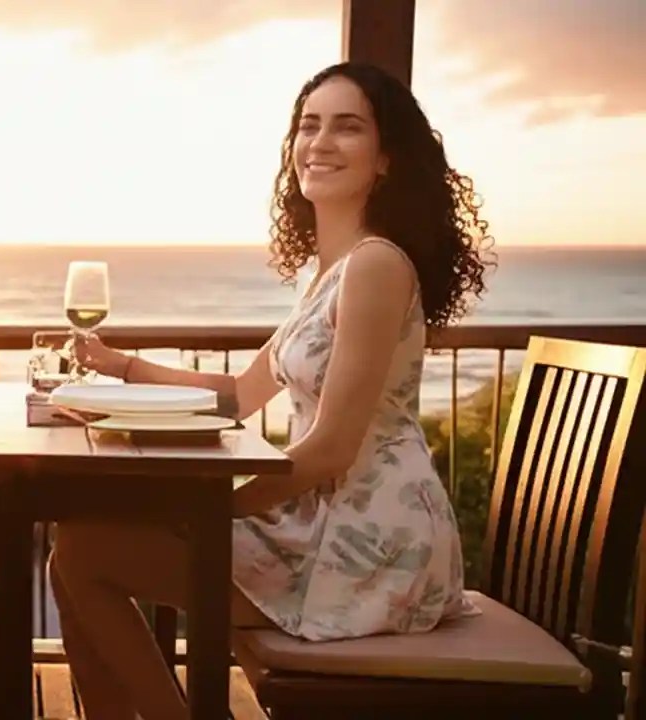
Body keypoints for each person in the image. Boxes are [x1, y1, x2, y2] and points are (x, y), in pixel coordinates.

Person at [53, 61, 494, 720]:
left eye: (347, 128)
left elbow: (330, 451)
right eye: (308, 126)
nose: (319, 142)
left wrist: (211, 510)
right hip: (321, 526)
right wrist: (118, 365)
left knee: (86, 554)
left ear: (386, 160)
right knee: (81, 543)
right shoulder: (333, 273)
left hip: (368, 544)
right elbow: (235, 396)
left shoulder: (376, 266)